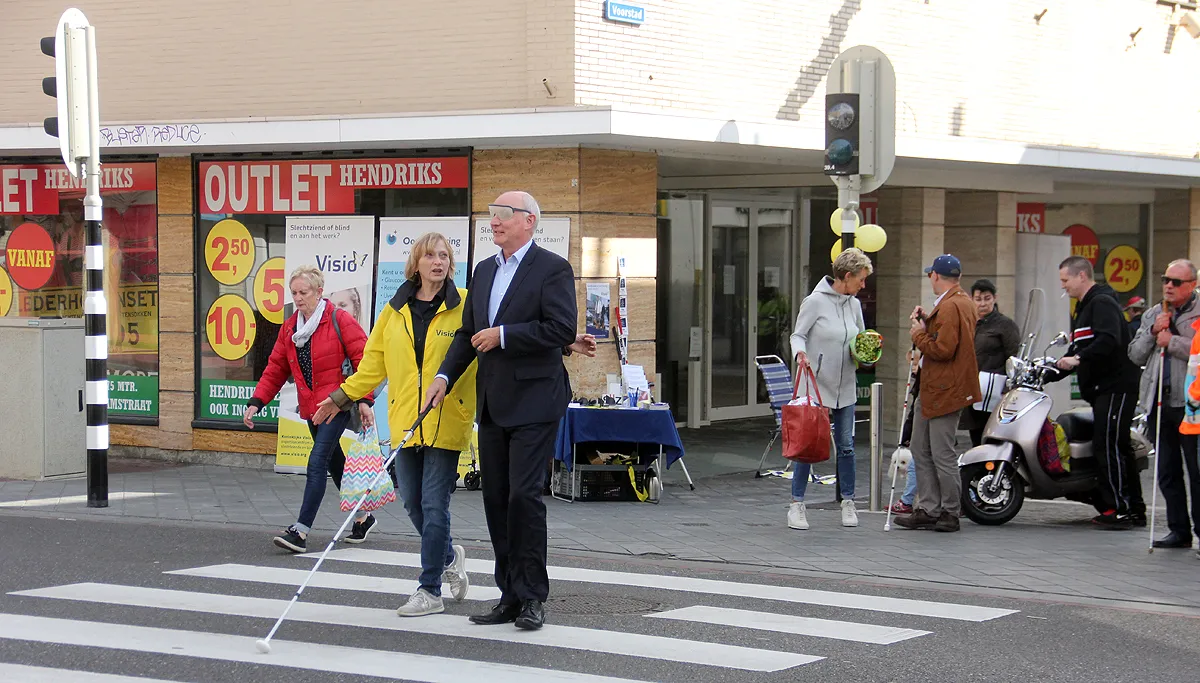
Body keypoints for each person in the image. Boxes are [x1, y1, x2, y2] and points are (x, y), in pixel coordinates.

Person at [424, 190, 580, 632]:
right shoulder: (485, 270)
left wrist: (505, 336)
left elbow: (560, 328)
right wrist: (443, 377)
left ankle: (532, 597)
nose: (493, 222)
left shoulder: (552, 268)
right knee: (495, 499)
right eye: (490, 216)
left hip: (535, 401)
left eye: (503, 216)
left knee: (523, 497)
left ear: (529, 221)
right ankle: (508, 595)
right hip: (492, 402)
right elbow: (469, 333)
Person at [314, 232, 475, 616]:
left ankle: (429, 589)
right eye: (431, 255)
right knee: (413, 503)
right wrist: (340, 398)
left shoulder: (466, 304)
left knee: (435, 505)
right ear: (416, 263)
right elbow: (372, 367)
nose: (439, 262)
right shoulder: (395, 309)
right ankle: (450, 557)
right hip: (405, 421)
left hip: (446, 418)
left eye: (445, 256)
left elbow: (480, 348)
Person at [244, 265, 376, 552]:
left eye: (304, 292)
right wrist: (257, 401)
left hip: (337, 403)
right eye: (294, 293)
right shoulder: (291, 327)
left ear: (319, 291)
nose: (299, 297)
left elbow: (365, 361)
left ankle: (300, 531)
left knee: (316, 462)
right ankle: (363, 517)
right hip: (311, 408)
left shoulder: (339, 320)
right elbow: (276, 367)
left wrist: (364, 399)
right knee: (334, 461)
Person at [1053, 256, 1145, 529]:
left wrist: (1078, 361)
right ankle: (1133, 509)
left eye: (1065, 280)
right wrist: (1050, 371)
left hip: (1116, 388)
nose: (1063, 286)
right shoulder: (1082, 308)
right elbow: (1078, 349)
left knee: (1110, 446)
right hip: (1103, 390)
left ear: (1082, 276)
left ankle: (1119, 509)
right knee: (1117, 447)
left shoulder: (1101, 303)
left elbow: (1108, 340)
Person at [786, 248, 873, 530]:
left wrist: (866, 353)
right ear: (846, 277)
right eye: (860, 279)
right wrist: (800, 354)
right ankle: (797, 504)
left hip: (845, 385)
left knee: (846, 446)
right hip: (816, 386)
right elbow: (798, 335)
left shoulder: (854, 305)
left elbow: (860, 338)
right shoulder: (815, 302)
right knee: (808, 445)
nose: (863, 285)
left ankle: (848, 501)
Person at [895, 254, 980, 533]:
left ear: (935, 276)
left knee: (940, 452)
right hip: (939, 388)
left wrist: (920, 333)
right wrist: (926, 323)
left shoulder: (950, 306)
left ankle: (948, 511)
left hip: (943, 388)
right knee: (921, 447)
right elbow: (949, 338)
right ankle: (930, 508)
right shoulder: (961, 302)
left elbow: (943, 349)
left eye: (930, 275)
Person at [1130, 260, 1200, 547]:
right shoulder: (1154, 313)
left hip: (1192, 405)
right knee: (1167, 470)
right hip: (1160, 401)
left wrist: (1172, 340)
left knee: (1196, 471)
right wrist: (1152, 333)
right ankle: (1178, 529)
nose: (1168, 286)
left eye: (1176, 282)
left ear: (1192, 285)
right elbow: (1134, 354)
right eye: (1165, 280)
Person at [959, 279, 1020, 447]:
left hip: (995, 391)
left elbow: (1014, 358)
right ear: (972, 299)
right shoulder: (969, 322)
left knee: (992, 440)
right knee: (976, 439)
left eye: (987, 298)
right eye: (978, 299)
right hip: (973, 390)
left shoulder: (1005, 325)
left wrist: (1006, 386)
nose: (983, 303)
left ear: (995, 298)